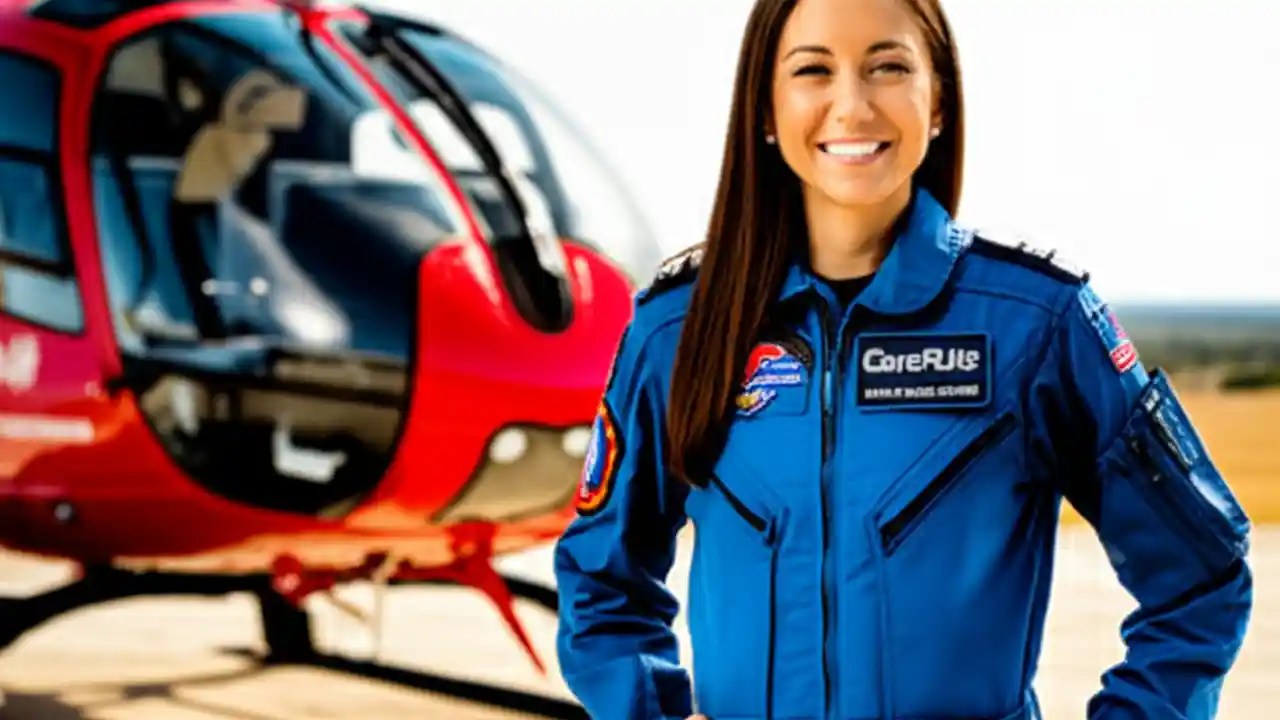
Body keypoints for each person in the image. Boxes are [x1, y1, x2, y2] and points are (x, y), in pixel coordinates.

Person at [553, 0, 1254, 717]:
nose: (851, 105)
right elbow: (602, 580)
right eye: (813, 70)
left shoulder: (1035, 325)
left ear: (939, 102)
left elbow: (1202, 580)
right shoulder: (678, 329)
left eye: (888, 67)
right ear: (765, 111)